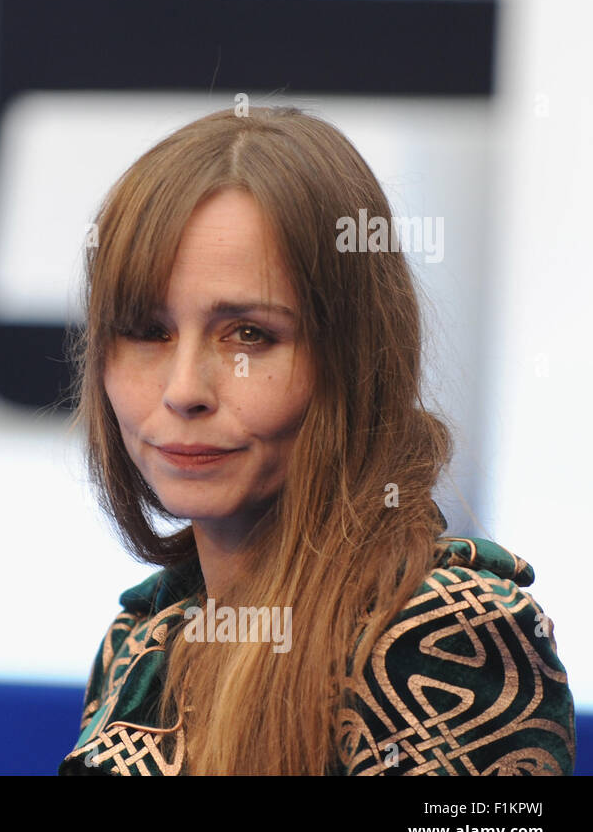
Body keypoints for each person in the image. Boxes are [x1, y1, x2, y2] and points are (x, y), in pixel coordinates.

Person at [59, 106, 576, 775]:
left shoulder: (444, 632)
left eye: (250, 334)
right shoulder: (140, 641)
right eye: (147, 331)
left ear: (353, 358)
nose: (185, 388)